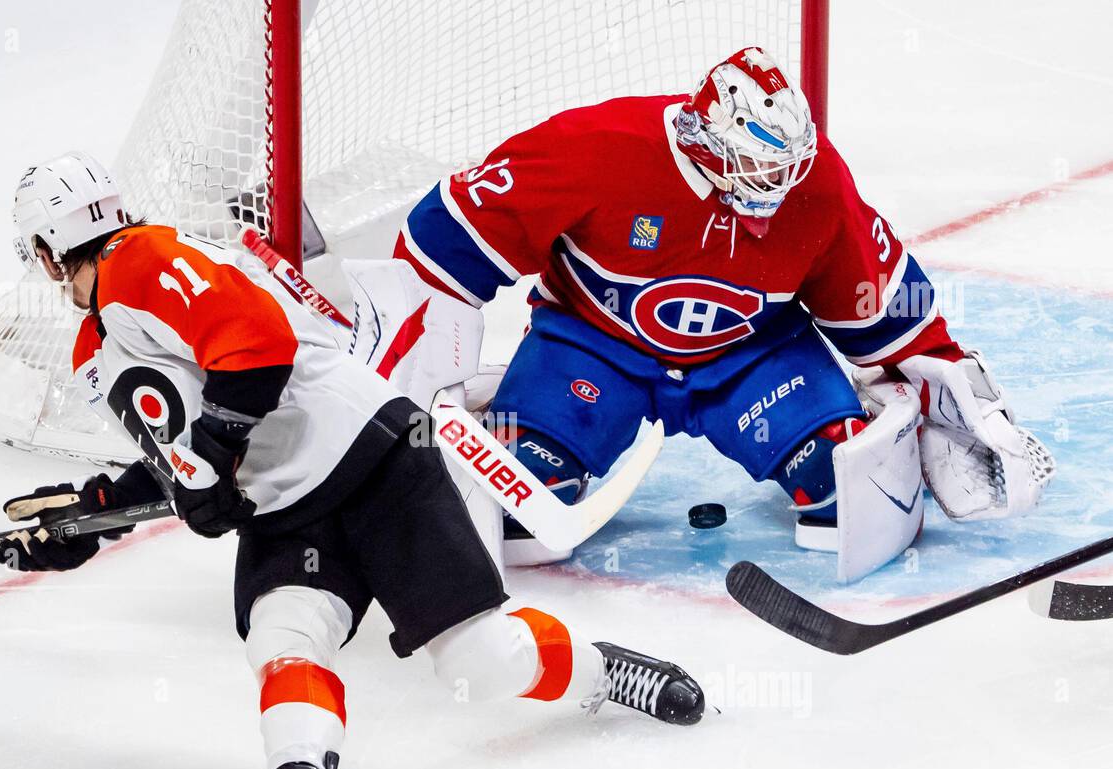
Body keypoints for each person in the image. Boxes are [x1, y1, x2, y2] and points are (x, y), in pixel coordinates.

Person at [0, 151, 705, 769]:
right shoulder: (106, 337)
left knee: (480, 664)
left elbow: (257, 348)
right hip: (287, 502)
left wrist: (212, 455)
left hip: (370, 457)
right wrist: (86, 517)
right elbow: (182, 455)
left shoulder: (141, 263)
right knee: (285, 633)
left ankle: (607, 670)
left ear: (49, 252)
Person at [385, 46, 1055, 582]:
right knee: (515, 506)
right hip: (594, 346)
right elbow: (447, 235)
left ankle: (836, 435)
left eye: (784, 167)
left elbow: (876, 296)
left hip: (751, 356)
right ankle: (520, 431)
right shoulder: (600, 147)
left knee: (846, 497)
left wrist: (952, 384)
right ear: (706, 144)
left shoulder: (812, 183)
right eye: (757, 168)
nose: (777, 186)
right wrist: (411, 375)